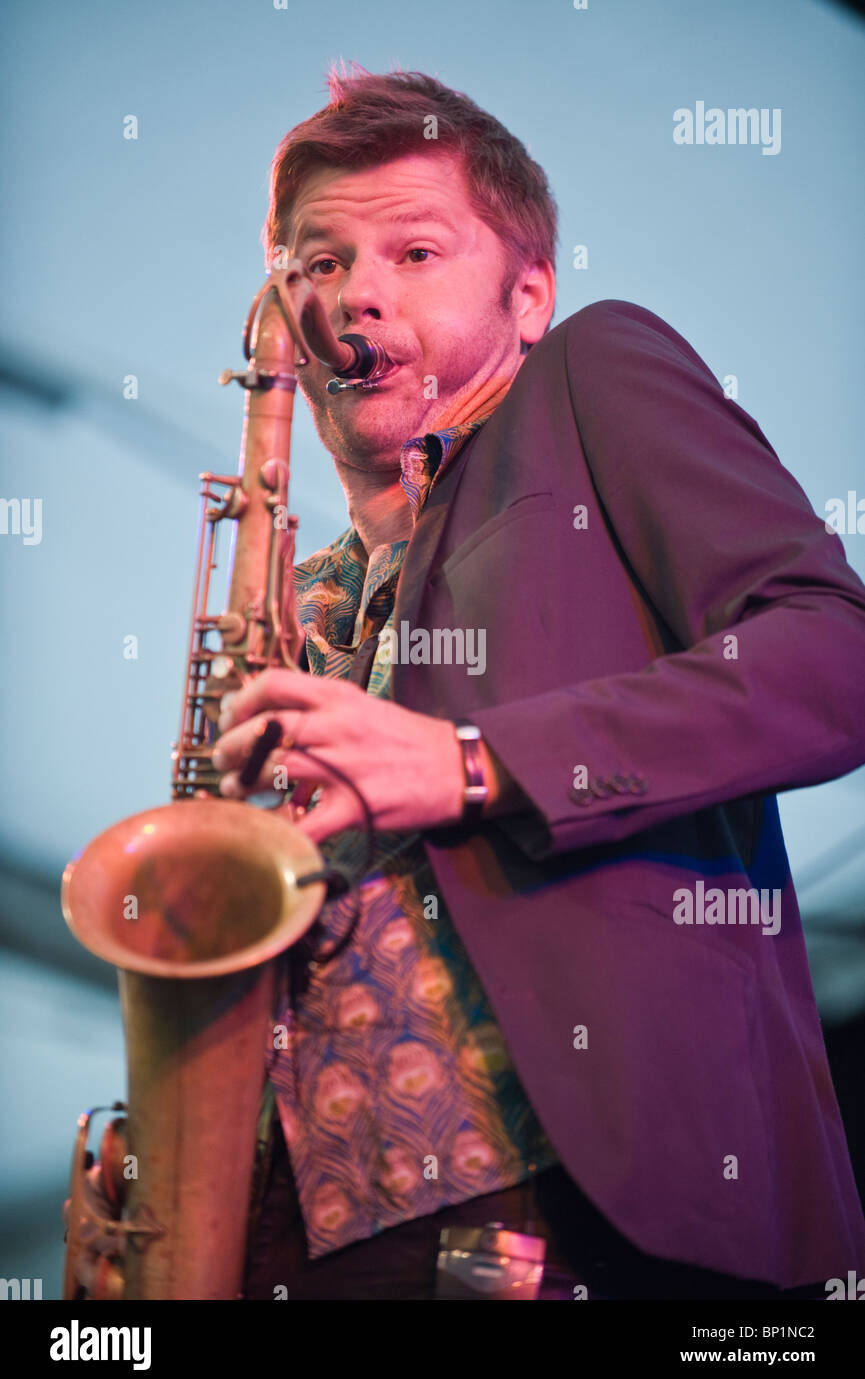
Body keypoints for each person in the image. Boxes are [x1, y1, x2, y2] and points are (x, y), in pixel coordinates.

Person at [210, 64, 865, 1301]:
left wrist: (469, 761)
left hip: (586, 1221)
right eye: (317, 260)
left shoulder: (588, 374)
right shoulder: (300, 607)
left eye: (413, 252)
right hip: (316, 1248)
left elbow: (831, 651)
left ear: (528, 295)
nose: (353, 294)